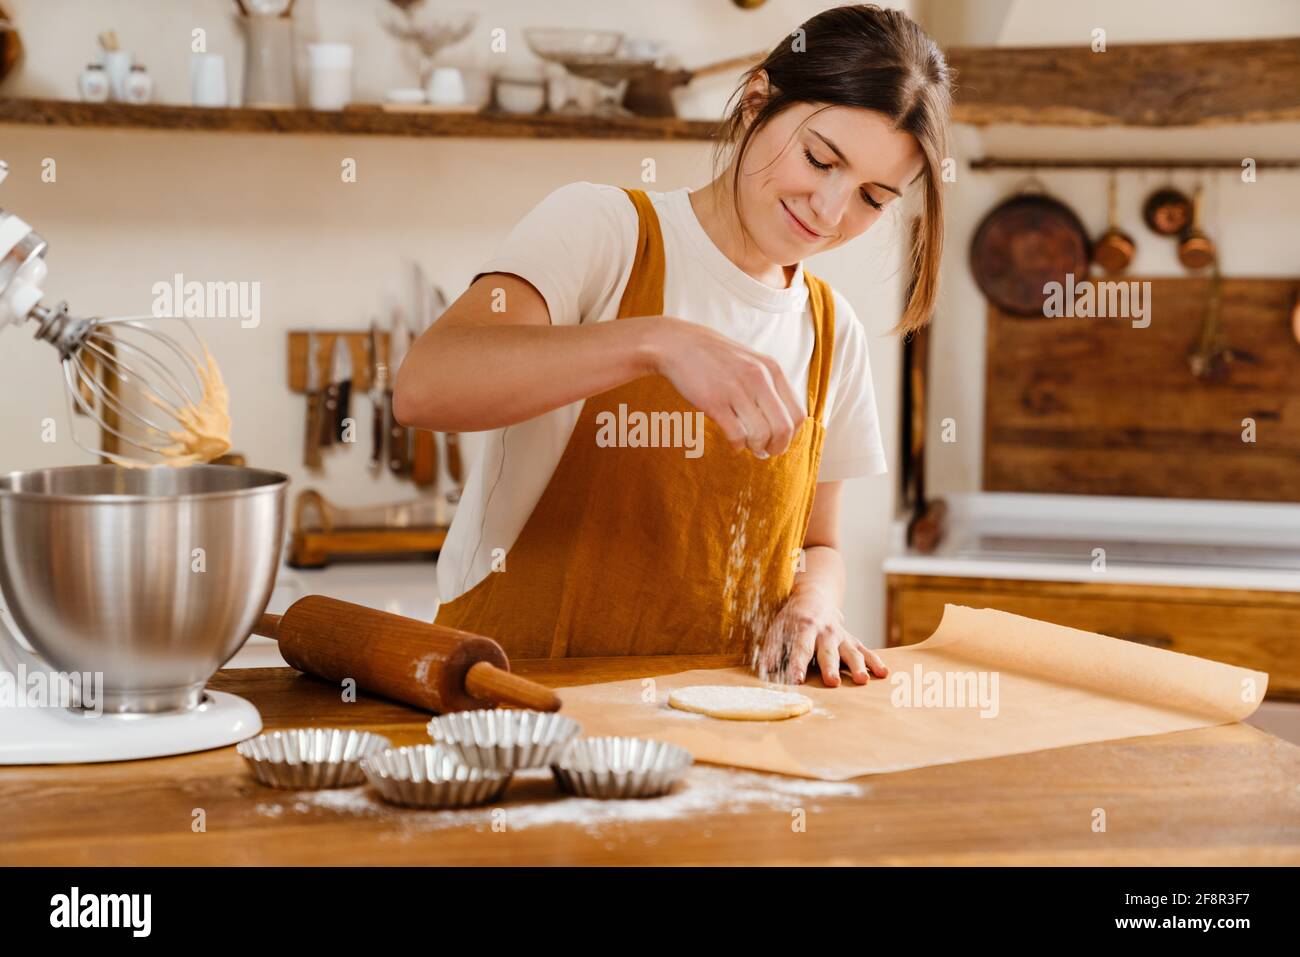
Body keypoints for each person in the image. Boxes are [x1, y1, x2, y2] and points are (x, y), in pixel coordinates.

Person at [394, 4, 953, 687]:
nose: (830, 211)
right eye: (820, 158)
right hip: (512, 698)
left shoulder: (834, 335)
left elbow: (819, 543)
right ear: (755, 103)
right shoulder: (603, 230)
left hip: (718, 718)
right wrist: (655, 341)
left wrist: (814, 602)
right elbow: (425, 387)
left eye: (871, 197)